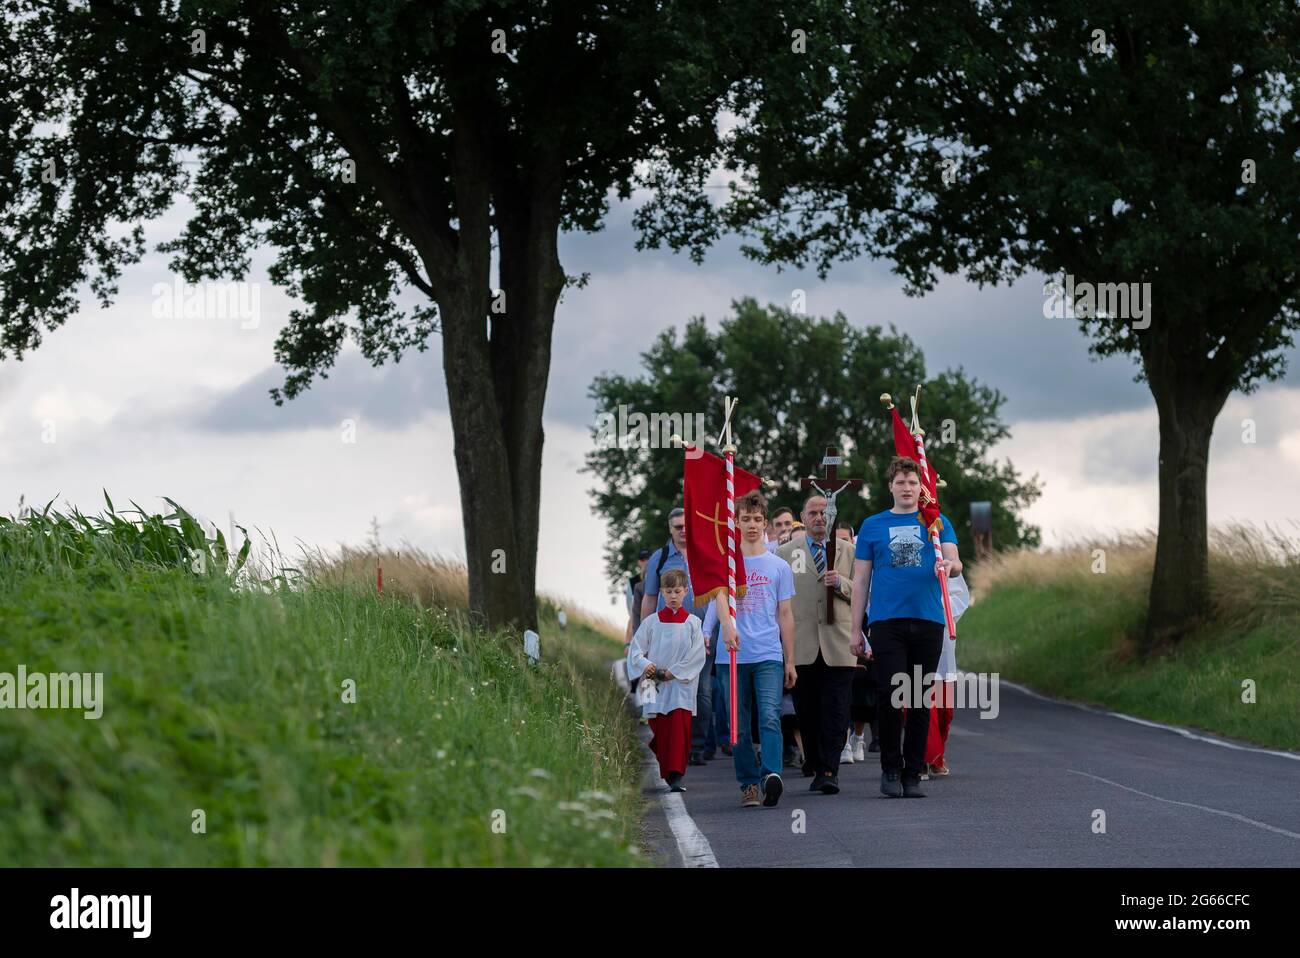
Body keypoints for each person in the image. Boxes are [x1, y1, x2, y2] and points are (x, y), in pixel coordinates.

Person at [849, 456, 961, 799]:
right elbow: (861, 578)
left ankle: (913, 771)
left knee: (918, 697)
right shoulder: (873, 525)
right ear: (891, 487)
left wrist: (950, 566)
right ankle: (890, 769)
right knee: (890, 695)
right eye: (901, 482)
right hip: (887, 621)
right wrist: (856, 629)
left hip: (928, 619)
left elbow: (955, 560)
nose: (907, 488)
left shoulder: (936, 521)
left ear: (920, 487)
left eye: (913, 482)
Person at [718, 489, 797, 808]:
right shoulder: (727, 563)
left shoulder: (778, 566)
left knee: (769, 717)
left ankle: (771, 776)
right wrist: (725, 625)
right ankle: (748, 783)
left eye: (757, 519)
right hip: (732, 656)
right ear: (735, 523)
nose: (751, 525)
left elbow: (786, 614)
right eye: (745, 519)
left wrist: (790, 659)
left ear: (765, 525)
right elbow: (720, 597)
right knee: (737, 725)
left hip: (768, 654)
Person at [779, 495, 857, 795]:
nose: (819, 518)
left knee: (836, 710)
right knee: (807, 711)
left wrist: (842, 583)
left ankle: (828, 770)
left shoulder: (849, 552)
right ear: (803, 516)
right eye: (812, 513)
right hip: (803, 643)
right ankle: (814, 759)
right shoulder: (785, 553)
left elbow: (863, 592)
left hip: (839, 641)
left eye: (824, 513)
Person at [626, 568, 707, 792]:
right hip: (655, 682)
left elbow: (697, 654)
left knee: (680, 729)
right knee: (660, 728)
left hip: (681, 683)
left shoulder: (693, 623)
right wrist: (646, 665)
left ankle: (676, 775)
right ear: (661, 592)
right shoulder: (651, 622)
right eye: (669, 591)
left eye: (677, 591)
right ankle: (664, 756)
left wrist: (675, 672)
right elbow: (636, 650)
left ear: (686, 592)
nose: (673, 596)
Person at [923, 571, 971, 778]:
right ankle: (923, 759)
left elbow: (961, 597)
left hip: (942, 644)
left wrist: (937, 604)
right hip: (914, 635)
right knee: (921, 706)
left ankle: (937, 755)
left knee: (944, 712)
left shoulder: (941, 555)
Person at [623, 548, 652, 648]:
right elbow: (632, 613)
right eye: (643, 559)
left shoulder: (660, 578)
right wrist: (627, 642)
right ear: (639, 562)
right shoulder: (633, 582)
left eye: (648, 558)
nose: (646, 562)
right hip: (639, 621)